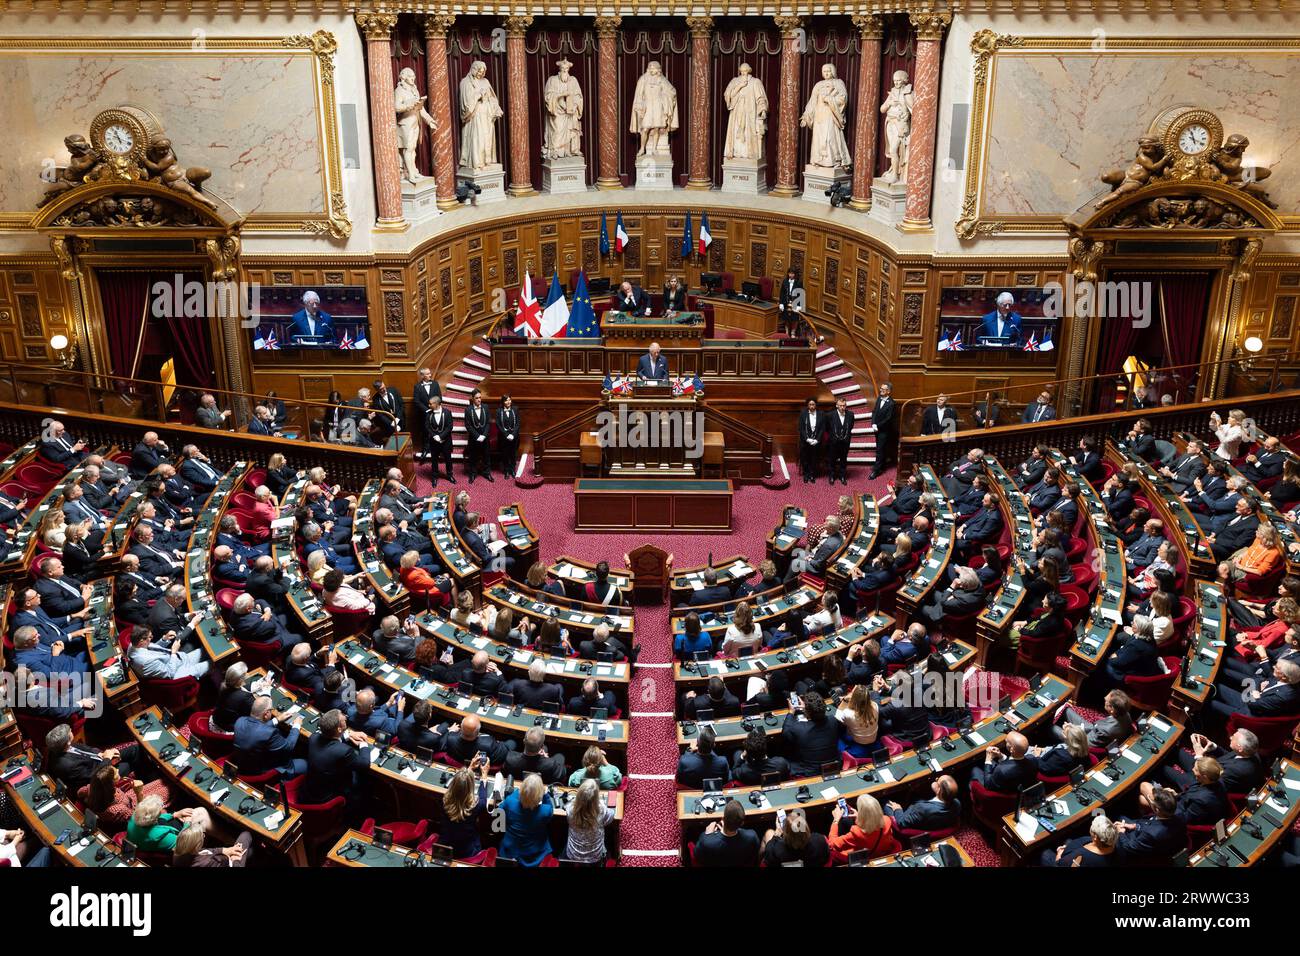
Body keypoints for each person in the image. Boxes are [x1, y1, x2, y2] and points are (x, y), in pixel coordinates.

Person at [298, 709, 373, 807]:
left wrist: (348, 734)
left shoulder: (313, 737)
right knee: (364, 780)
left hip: (311, 787)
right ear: (339, 729)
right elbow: (364, 764)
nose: (346, 717)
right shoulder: (344, 751)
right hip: (328, 795)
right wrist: (363, 745)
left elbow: (330, 740)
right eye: (343, 720)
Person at [1162, 730, 1265, 795]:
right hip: (1206, 767)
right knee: (1177, 751)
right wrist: (1213, 747)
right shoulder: (1251, 752)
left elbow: (1210, 778)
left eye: (1233, 738)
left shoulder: (1236, 771)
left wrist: (1199, 756)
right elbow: (1229, 756)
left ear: (1240, 748)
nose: (1230, 737)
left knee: (1163, 768)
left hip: (1202, 783)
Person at [80, 763, 171, 836]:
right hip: (139, 807)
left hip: (130, 796)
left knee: (161, 782)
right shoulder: (116, 810)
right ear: (111, 784)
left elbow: (79, 792)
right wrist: (139, 793)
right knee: (168, 790)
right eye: (116, 773)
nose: (119, 770)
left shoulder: (93, 788)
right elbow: (139, 817)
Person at [233, 695, 307, 779]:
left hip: (243, 762)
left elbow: (256, 729)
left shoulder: (240, 721)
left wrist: (276, 720)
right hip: (262, 770)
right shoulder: (270, 733)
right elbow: (288, 747)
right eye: (271, 710)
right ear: (266, 713)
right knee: (305, 763)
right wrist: (296, 726)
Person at [1115, 787, 1186, 865]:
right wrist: (1136, 826)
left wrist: (1121, 833)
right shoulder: (1179, 812)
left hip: (1145, 850)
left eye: (1151, 801)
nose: (1149, 800)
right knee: (1121, 817)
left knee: (1118, 818)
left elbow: (1130, 847)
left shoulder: (1151, 833)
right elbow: (1149, 823)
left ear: (1157, 810)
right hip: (1147, 830)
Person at [440, 758, 493, 859]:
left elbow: (460, 784)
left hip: (445, 847)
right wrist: (484, 775)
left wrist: (469, 769)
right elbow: (483, 796)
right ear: (471, 787)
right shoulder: (476, 805)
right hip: (467, 850)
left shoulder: (444, 800)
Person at [827, 793, 901, 864]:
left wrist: (836, 820)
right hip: (880, 852)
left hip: (858, 858)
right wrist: (858, 817)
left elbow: (832, 844)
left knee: (844, 821)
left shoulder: (856, 832)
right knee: (847, 820)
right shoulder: (887, 820)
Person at [780, 692, 841, 777]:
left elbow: (785, 734)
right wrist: (806, 709)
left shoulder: (798, 728)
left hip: (811, 771)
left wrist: (791, 712)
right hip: (833, 766)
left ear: (807, 712)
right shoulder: (833, 720)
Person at [499, 774, 554, 866]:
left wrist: (519, 791)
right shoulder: (545, 811)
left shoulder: (510, 802)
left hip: (511, 851)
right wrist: (545, 794)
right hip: (535, 854)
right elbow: (550, 807)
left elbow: (500, 809)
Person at [126, 795, 213, 854]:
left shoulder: (135, 817)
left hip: (165, 828)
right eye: (160, 810)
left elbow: (158, 818)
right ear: (155, 818)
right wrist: (187, 824)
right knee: (202, 815)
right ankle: (216, 841)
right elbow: (183, 843)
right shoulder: (161, 838)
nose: (161, 810)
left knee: (200, 812)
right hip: (182, 839)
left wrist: (175, 814)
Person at [1053, 689, 1134, 749]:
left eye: (1106, 701)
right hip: (1094, 729)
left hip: (1083, 742)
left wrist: (1070, 730)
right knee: (1067, 710)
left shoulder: (1105, 730)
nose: (1104, 698)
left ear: (1112, 709)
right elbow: (1095, 727)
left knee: (1053, 728)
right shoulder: (1126, 714)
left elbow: (1084, 744)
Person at [693, 799, 760, 866]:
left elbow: (697, 856)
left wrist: (707, 834)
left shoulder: (706, 841)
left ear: (723, 819)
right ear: (742, 823)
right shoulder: (752, 836)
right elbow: (755, 854)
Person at [883, 775, 962, 832]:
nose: (936, 779)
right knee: (914, 794)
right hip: (932, 821)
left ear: (938, 790)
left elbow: (901, 822)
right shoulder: (957, 803)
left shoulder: (922, 808)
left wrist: (898, 809)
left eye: (937, 780)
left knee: (884, 801)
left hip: (909, 821)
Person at [563, 779, 615, 864]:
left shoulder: (570, 809)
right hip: (595, 857)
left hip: (572, 854)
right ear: (596, 798)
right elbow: (611, 817)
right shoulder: (602, 810)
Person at [971, 732, 1039, 794]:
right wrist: (1001, 756)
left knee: (975, 769)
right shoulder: (1033, 759)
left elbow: (988, 785)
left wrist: (988, 759)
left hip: (1007, 794)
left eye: (1007, 741)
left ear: (1012, 749)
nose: (1005, 741)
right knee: (993, 762)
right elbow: (1014, 762)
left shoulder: (1001, 769)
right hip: (1020, 786)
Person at [1040, 814, 1119, 867]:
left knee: (1045, 853)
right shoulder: (1114, 844)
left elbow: (1059, 863)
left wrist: (1059, 853)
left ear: (1095, 836)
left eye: (1092, 826)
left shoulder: (1081, 856)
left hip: (1064, 862)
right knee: (1068, 840)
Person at [761, 807, 830, 867]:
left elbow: (766, 864)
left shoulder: (774, 848)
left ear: (785, 833)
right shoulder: (819, 841)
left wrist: (776, 834)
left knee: (769, 832)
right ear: (806, 828)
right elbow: (828, 862)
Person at [503, 727, 568, 784]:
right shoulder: (551, 764)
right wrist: (546, 759)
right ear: (541, 746)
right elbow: (562, 773)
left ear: (523, 741)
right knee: (560, 756)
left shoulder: (510, 758)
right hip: (541, 785)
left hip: (520, 782)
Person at [173, 824, 252, 868]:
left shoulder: (179, 851)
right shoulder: (207, 862)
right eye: (202, 835)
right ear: (197, 845)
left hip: (221, 859)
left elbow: (205, 851)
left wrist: (224, 850)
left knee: (249, 850)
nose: (204, 835)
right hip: (230, 863)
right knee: (246, 835)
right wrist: (234, 860)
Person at [834, 684, 880, 758]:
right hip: (874, 742)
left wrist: (846, 699)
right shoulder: (875, 706)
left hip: (859, 745)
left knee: (838, 736)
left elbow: (837, 717)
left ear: (854, 699)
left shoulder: (848, 713)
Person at [463, 389, 492, 482]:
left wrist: (484, 435)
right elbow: (468, 425)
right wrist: (477, 436)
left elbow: (488, 423)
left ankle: (487, 473)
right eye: (477, 398)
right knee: (473, 457)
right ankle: (473, 474)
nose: (479, 400)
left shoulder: (486, 407)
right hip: (474, 438)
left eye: (480, 397)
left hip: (485, 437)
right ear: (473, 399)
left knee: (486, 456)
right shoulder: (468, 410)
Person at [826, 396, 854, 486]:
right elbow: (827, 428)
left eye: (844, 405)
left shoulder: (850, 414)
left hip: (845, 442)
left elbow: (850, 427)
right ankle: (832, 476)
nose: (842, 407)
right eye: (841, 405)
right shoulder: (830, 415)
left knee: (843, 460)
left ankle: (842, 476)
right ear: (836, 405)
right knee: (832, 460)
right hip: (833, 442)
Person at [869, 383, 896, 479]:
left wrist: (878, 425)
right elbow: (874, 412)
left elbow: (888, 419)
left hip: (884, 430)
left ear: (888, 391)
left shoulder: (892, 403)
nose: (880, 390)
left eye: (883, 389)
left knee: (880, 450)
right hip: (876, 429)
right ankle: (881, 465)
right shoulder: (879, 398)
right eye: (880, 388)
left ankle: (876, 471)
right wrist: (873, 423)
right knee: (880, 448)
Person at [798, 397, 824, 483]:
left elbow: (822, 428)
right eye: (810, 404)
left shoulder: (821, 414)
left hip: (816, 441)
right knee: (805, 459)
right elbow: (801, 428)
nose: (812, 406)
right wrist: (806, 439)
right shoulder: (803, 413)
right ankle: (806, 474)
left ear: (816, 405)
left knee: (814, 459)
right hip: (805, 441)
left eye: (813, 404)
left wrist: (817, 440)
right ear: (807, 405)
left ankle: (812, 474)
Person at [495, 395, 520, 477]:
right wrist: (506, 435)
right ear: (503, 402)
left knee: (513, 454)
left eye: (509, 400)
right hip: (503, 437)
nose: (508, 402)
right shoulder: (499, 411)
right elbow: (498, 425)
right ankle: (506, 470)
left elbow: (518, 423)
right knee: (505, 454)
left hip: (514, 437)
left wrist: (513, 434)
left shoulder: (515, 409)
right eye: (506, 400)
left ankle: (512, 469)